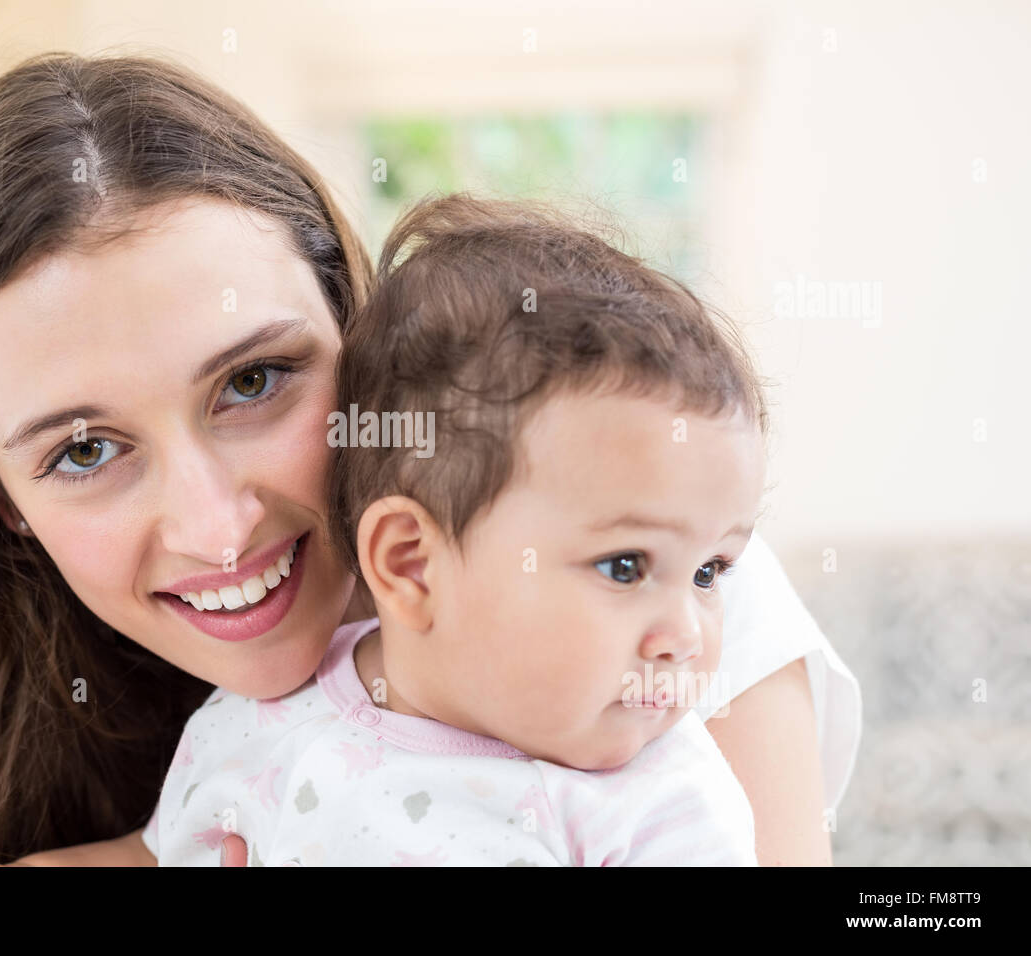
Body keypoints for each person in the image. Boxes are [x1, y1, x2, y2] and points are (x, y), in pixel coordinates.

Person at [0, 53, 859, 868]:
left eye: (254, 382)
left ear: (352, 322)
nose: (219, 526)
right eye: (85, 450)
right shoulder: (220, 732)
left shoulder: (652, 588)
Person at [145, 194, 767, 865]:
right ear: (411, 563)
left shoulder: (665, 807)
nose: (687, 637)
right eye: (625, 567)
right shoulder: (254, 727)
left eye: (710, 571)